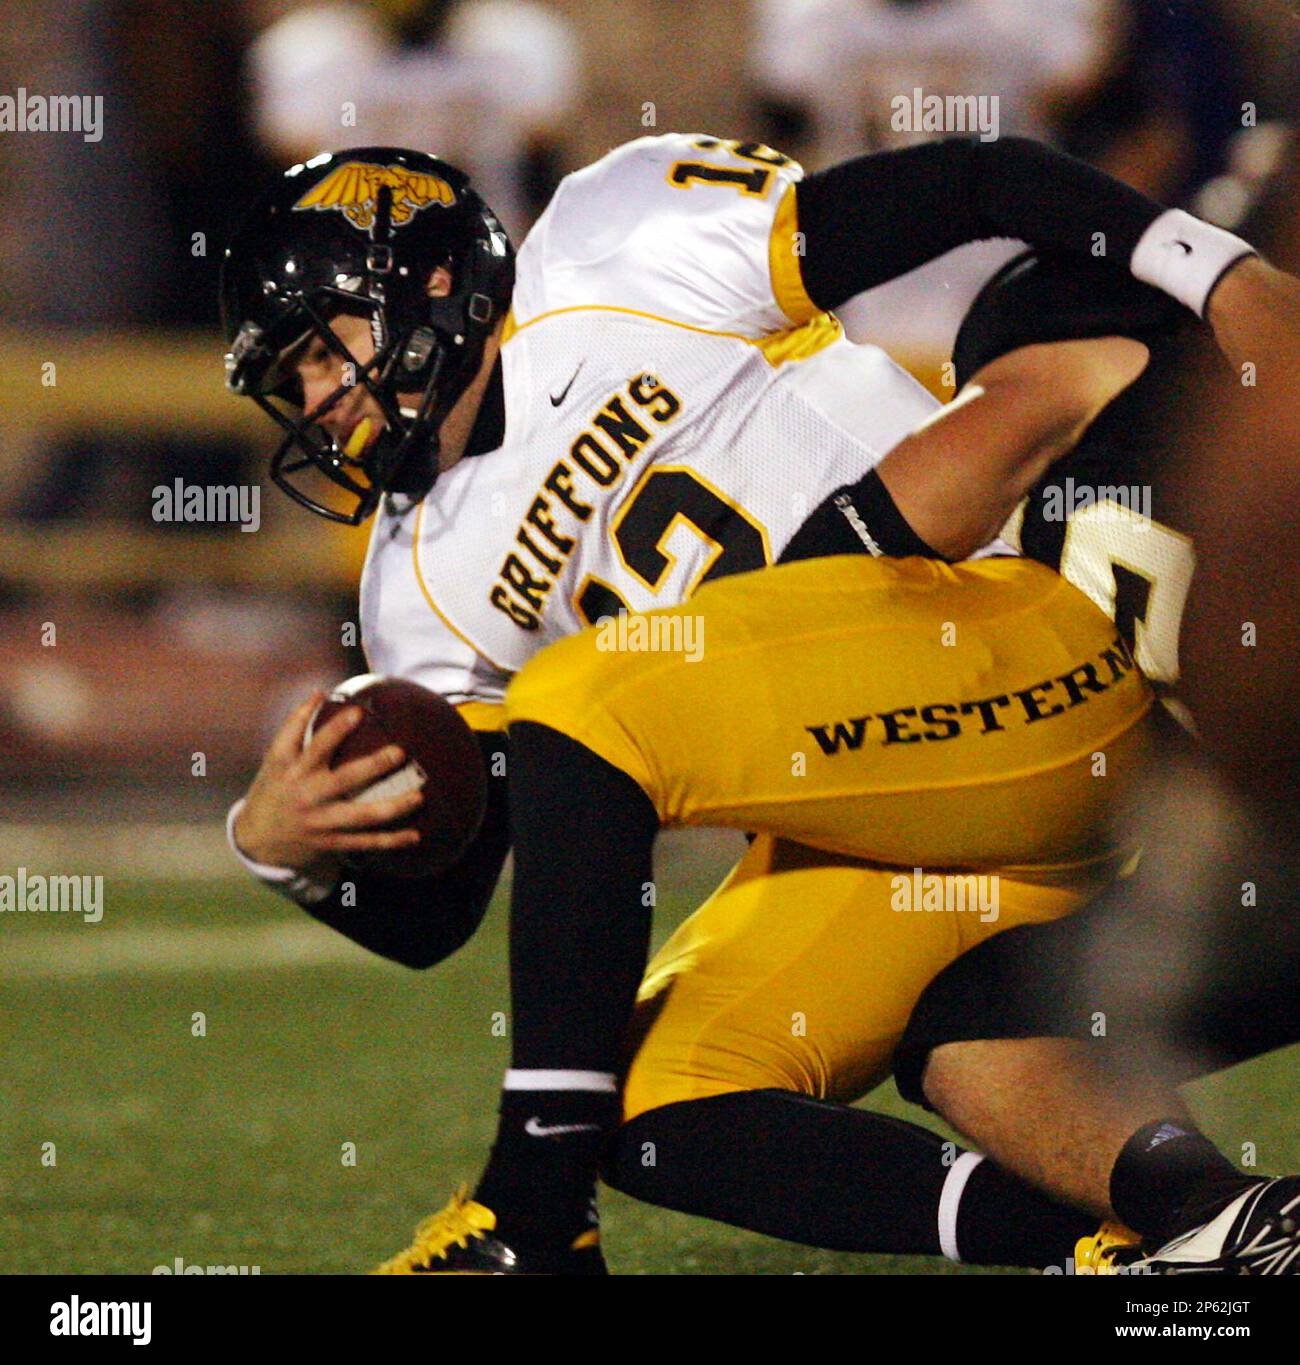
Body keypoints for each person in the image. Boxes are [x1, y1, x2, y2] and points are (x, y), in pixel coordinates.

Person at [218, 132, 1265, 1272]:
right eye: (293, 384)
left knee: (580, 694)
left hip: (1018, 656)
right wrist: (284, 850)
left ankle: (530, 1213)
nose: (319, 403)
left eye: (325, 353)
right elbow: (448, 891)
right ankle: (1159, 1235)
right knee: (651, 1099)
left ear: (429, 280)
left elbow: (973, 184)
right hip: (880, 814)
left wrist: (1212, 271)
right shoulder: (415, 583)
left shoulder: (608, 244)